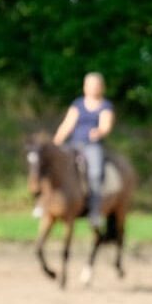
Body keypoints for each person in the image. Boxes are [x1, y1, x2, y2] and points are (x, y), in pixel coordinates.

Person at [53, 72, 115, 229]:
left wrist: (99, 132)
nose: (93, 88)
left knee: (95, 173)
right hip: (74, 144)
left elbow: (106, 126)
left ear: (102, 87)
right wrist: (56, 142)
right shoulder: (78, 104)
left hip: (93, 146)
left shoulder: (105, 106)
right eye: (90, 85)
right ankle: (47, 204)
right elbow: (67, 124)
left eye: (96, 85)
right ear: (85, 87)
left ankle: (95, 212)